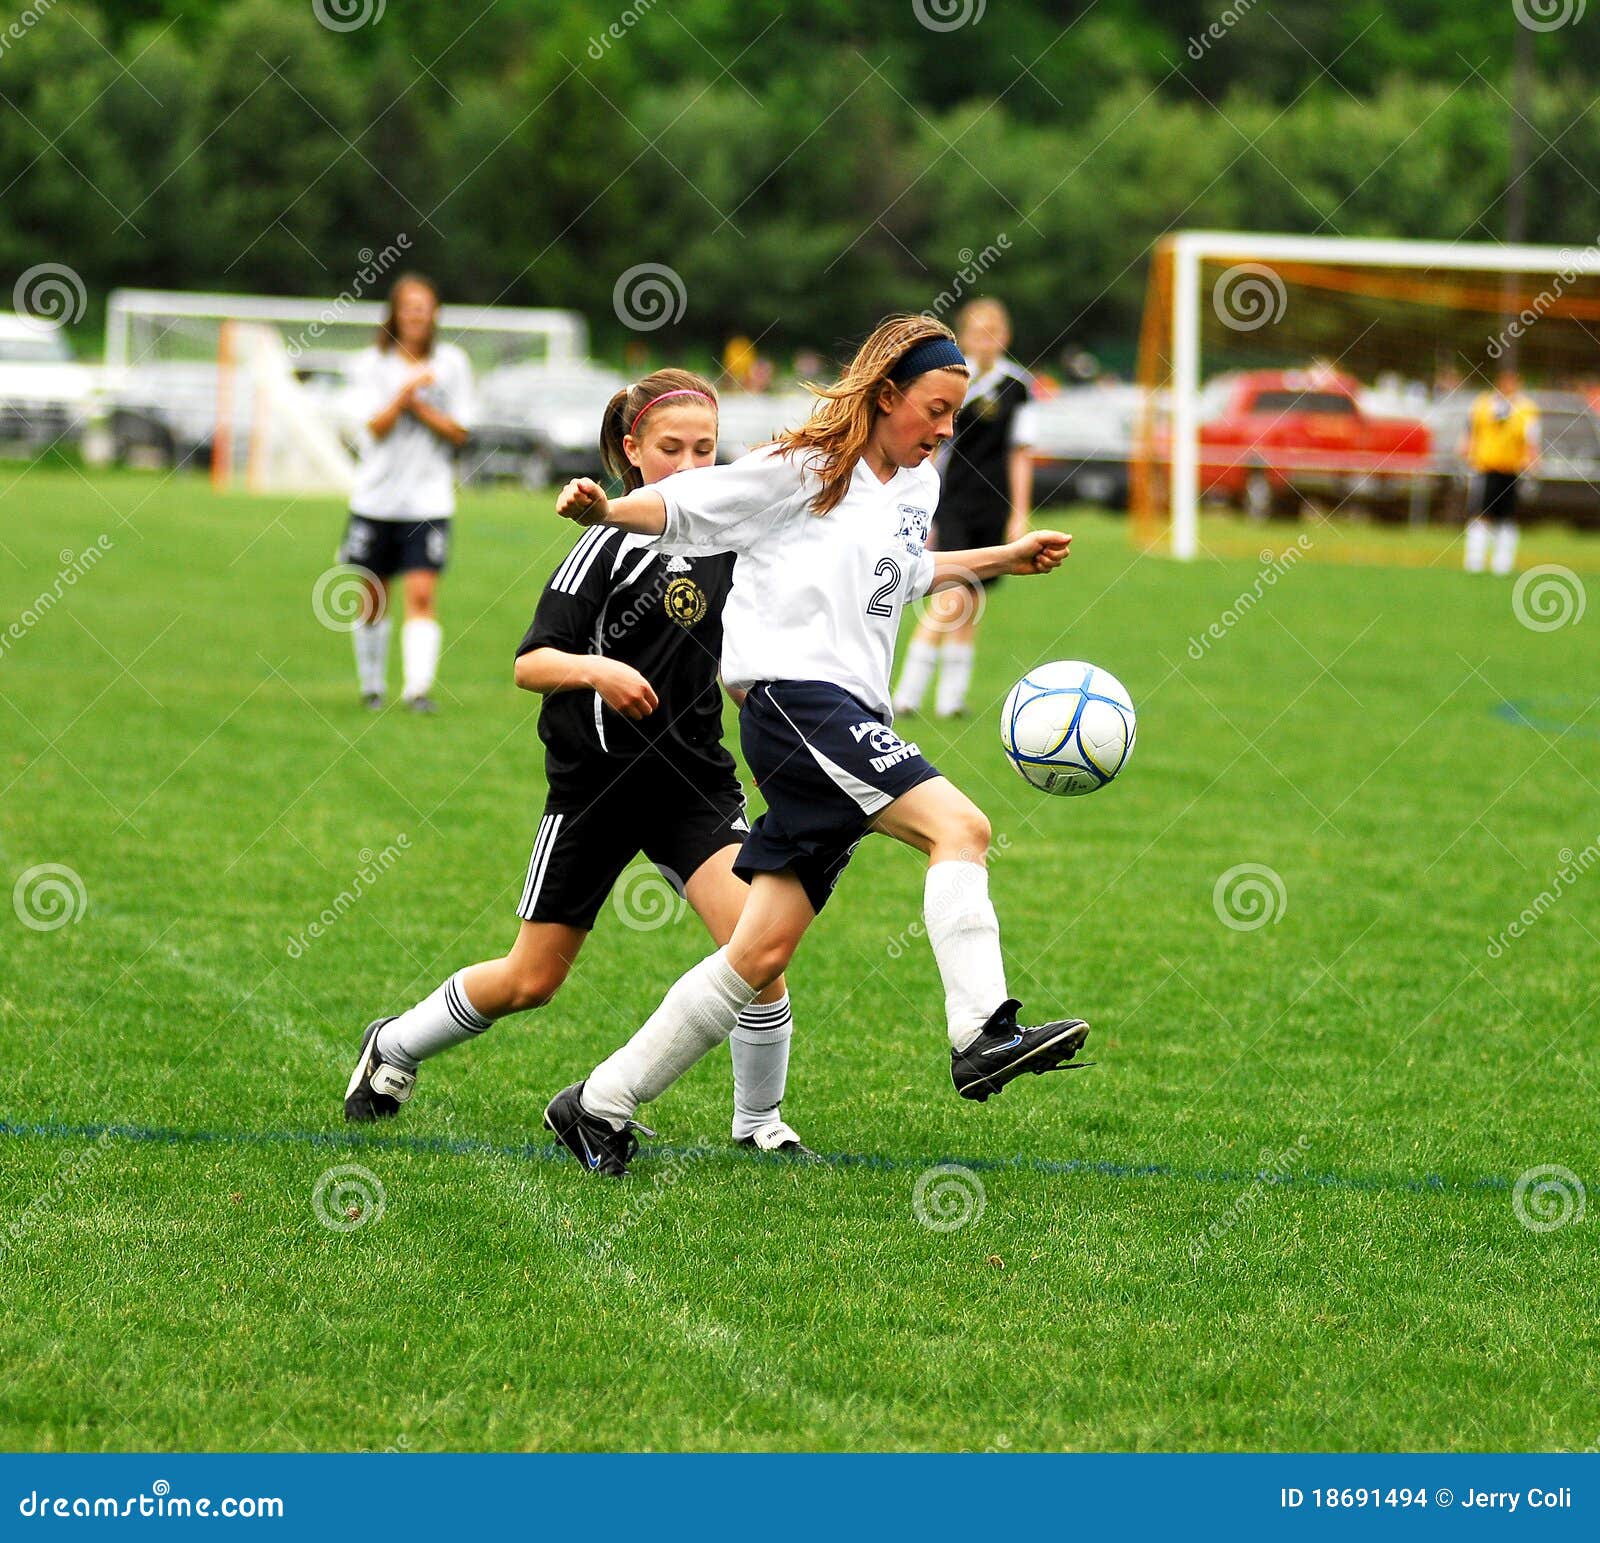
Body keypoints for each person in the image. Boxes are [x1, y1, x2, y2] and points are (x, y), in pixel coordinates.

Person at [540, 315, 1087, 1178]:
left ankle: (598, 1101)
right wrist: (606, 507)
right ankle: (982, 1032)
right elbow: (682, 505)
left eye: (956, 414)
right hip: (798, 706)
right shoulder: (799, 469)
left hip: (849, 714)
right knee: (962, 828)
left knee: (758, 953)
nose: (947, 430)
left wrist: (1003, 557)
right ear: (884, 395)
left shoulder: (917, 485)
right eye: (935, 411)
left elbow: (900, 574)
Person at [344, 369, 810, 1156]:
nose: (692, 464)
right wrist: (598, 670)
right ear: (632, 450)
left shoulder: (730, 538)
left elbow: (733, 655)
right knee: (533, 980)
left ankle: (758, 1123)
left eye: (706, 447)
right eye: (671, 449)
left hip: (694, 781)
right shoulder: (607, 541)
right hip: (597, 785)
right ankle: (392, 1044)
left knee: (760, 950)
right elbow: (530, 663)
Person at [893, 298, 1036, 720]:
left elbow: (1021, 453)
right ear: (964, 336)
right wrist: (922, 501)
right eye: (978, 331)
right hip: (952, 500)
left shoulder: (1018, 387)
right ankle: (906, 694)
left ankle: (951, 700)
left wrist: (1020, 511)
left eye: (994, 330)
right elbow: (937, 447)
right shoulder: (956, 384)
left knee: (971, 599)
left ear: (1005, 336)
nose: (986, 339)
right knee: (952, 594)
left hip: (993, 504)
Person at [339, 274, 475, 712]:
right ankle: (372, 686)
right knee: (373, 597)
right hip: (375, 499)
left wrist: (421, 404)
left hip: (428, 501)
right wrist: (402, 397)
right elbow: (374, 426)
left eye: (425, 306)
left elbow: (459, 432)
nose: (417, 314)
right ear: (394, 313)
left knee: (421, 594)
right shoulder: (370, 365)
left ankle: (417, 690)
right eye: (408, 306)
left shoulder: (452, 364)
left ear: (435, 313)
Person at [1462, 367, 1539, 576]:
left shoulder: (1526, 409)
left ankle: (1502, 563)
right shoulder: (1483, 405)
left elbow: (1532, 438)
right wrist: (1466, 449)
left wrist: (1533, 461)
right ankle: (1475, 560)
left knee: (1507, 517)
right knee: (1481, 514)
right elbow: (1471, 431)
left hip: (1512, 470)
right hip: (1486, 468)